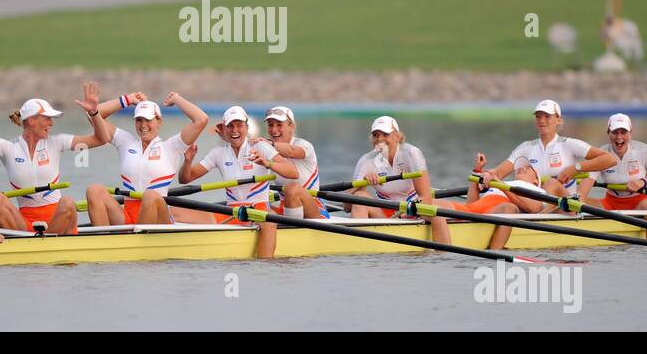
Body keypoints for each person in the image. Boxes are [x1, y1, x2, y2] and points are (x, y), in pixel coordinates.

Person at [0, 75, 109, 234]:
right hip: (24, 225)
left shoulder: (57, 142)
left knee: (68, 203)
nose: (52, 123)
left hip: (56, 221)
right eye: (47, 118)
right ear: (32, 121)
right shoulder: (7, 148)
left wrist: (94, 112)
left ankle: (49, 242)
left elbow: (101, 139)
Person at [179, 106, 302, 258]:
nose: (234, 130)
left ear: (247, 127)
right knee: (176, 212)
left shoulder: (260, 146)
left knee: (269, 222)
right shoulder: (218, 153)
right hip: (231, 212)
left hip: (259, 212)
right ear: (224, 129)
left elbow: (293, 172)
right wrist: (187, 161)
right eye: (230, 126)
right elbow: (185, 178)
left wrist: (267, 163)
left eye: (239, 125)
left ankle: (265, 266)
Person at [83, 91, 212, 226]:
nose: (143, 125)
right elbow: (92, 115)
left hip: (158, 217)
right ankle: (104, 242)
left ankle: (140, 241)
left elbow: (201, 119)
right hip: (128, 215)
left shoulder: (172, 147)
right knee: (93, 190)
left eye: (148, 120)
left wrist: (177, 99)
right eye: (139, 120)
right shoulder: (125, 142)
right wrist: (127, 99)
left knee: (150, 195)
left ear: (159, 121)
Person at [474, 99, 616, 212]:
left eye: (547, 116)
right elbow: (498, 172)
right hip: (533, 206)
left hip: (565, 207)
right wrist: (486, 173)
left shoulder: (570, 144)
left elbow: (610, 159)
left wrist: (576, 167)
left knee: (551, 184)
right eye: (538, 116)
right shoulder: (525, 148)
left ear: (558, 120)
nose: (542, 120)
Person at [344, 116, 452, 245]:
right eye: (375, 135)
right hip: (385, 214)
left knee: (438, 213)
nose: (379, 139)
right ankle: (359, 250)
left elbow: (426, 197)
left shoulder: (411, 153)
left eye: (385, 134)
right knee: (360, 197)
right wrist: (362, 185)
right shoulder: (366, 161)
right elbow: (347, 207)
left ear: (398, 136)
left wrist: (404, 213)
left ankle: (442, 258)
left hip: (415, 209)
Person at [592, 113, 647, 240]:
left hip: (639, 203)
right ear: (608, 133)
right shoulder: (600, 153)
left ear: (630, 133)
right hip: (610, 203)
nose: (619, 137)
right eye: (615, 132)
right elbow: (587, 182)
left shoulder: (645, 151)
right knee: (580, 202)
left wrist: (644, 182)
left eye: (623, 132)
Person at [255, 106, 328, 219]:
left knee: (292, 188)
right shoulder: (266, 150)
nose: (274, 130)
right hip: (284, 207)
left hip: (314, 209)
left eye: (279, 125)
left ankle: (290, 230)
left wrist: (270, 144)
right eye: (270, 125)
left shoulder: (304, 145)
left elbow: (291, 151)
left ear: (291, 126)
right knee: (254, 204)